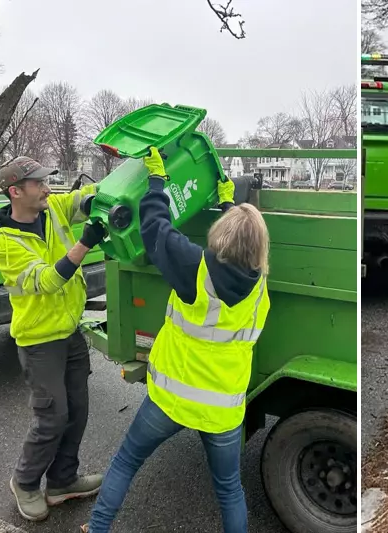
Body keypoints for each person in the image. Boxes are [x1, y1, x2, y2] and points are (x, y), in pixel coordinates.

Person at [82, 148, 269, 533]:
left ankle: (96, 530)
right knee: (230, 490)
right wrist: (229, 204)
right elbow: (238, 250)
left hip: (171, 399)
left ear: (221, 237)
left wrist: (156, 182)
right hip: (222, 411)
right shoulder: (259, 288)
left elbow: (155, 228)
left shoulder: (195, 269)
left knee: (125, 463)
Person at [0, 157, 107, 522]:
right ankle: (26, 482)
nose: (47, 188)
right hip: (39, 342)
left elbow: (87, 197)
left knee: (77, 411)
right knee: (52, 417)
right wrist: (84, 244)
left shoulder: (53, 209)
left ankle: (63, 481)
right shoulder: (4, 243)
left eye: (47, 181)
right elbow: (47, 281)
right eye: (38, 184)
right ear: (16, 191)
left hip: (69, 332)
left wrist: (121, 185)